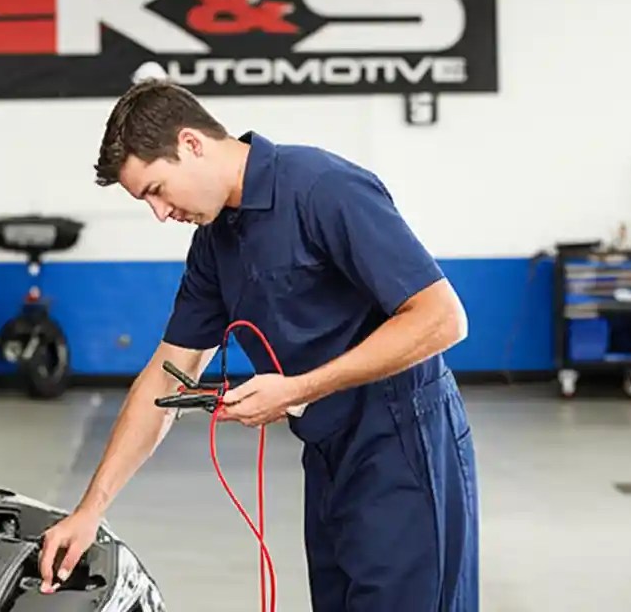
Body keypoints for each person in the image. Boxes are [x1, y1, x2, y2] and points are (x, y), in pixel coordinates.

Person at [37, 79, 479, 611]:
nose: (160, 213)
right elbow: (165, 374)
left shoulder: (322, 187)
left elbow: (441, 318)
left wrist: (298, 388)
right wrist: (91, 509)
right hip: (329, 454)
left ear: (192, 144)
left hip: (405, 444)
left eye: (156, 190)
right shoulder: (213, 243)